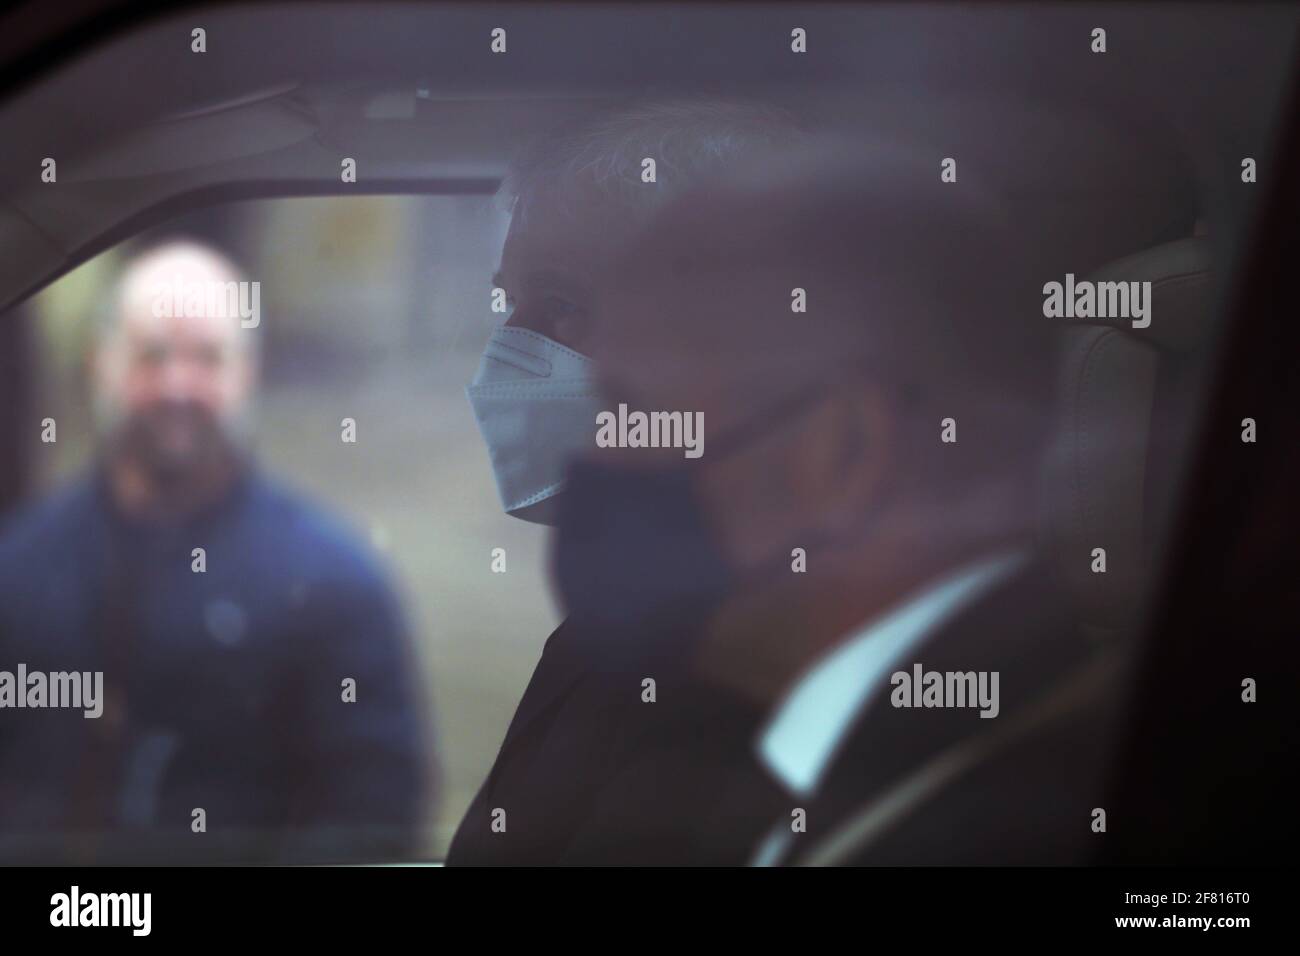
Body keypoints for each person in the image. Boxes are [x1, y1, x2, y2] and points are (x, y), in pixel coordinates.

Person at [555, 138, 1129, 865]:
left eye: (631, 411)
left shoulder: (993, 823)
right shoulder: (871, 760)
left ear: (843, 452)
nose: (597, 458)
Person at [449, 100, 806, 864]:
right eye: (510, 306)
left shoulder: (794, 679)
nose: (507, 358)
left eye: (564, 304)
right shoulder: (618, 629)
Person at [0, 240, 431, 864]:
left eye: (207, 357)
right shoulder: (20, 567)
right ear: (101, 363)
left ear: (246, 372)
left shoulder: (334, 583)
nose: (178, 384)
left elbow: (374, 819)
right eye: (152, 355)